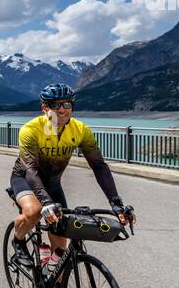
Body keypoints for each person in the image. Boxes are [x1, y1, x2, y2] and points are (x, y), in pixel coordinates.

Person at [9, 83, 135, 269]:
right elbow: (31, 169)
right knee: (34, 211)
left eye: (66, 104)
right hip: (25, 178)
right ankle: (18, 241)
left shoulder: (80, 130)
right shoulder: (31, 130)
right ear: (45, 108)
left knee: (61, 245)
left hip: (52, 183)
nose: (62, 110)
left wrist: (116, 203)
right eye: (55, 105)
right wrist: (46, 202)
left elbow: (99, 166)